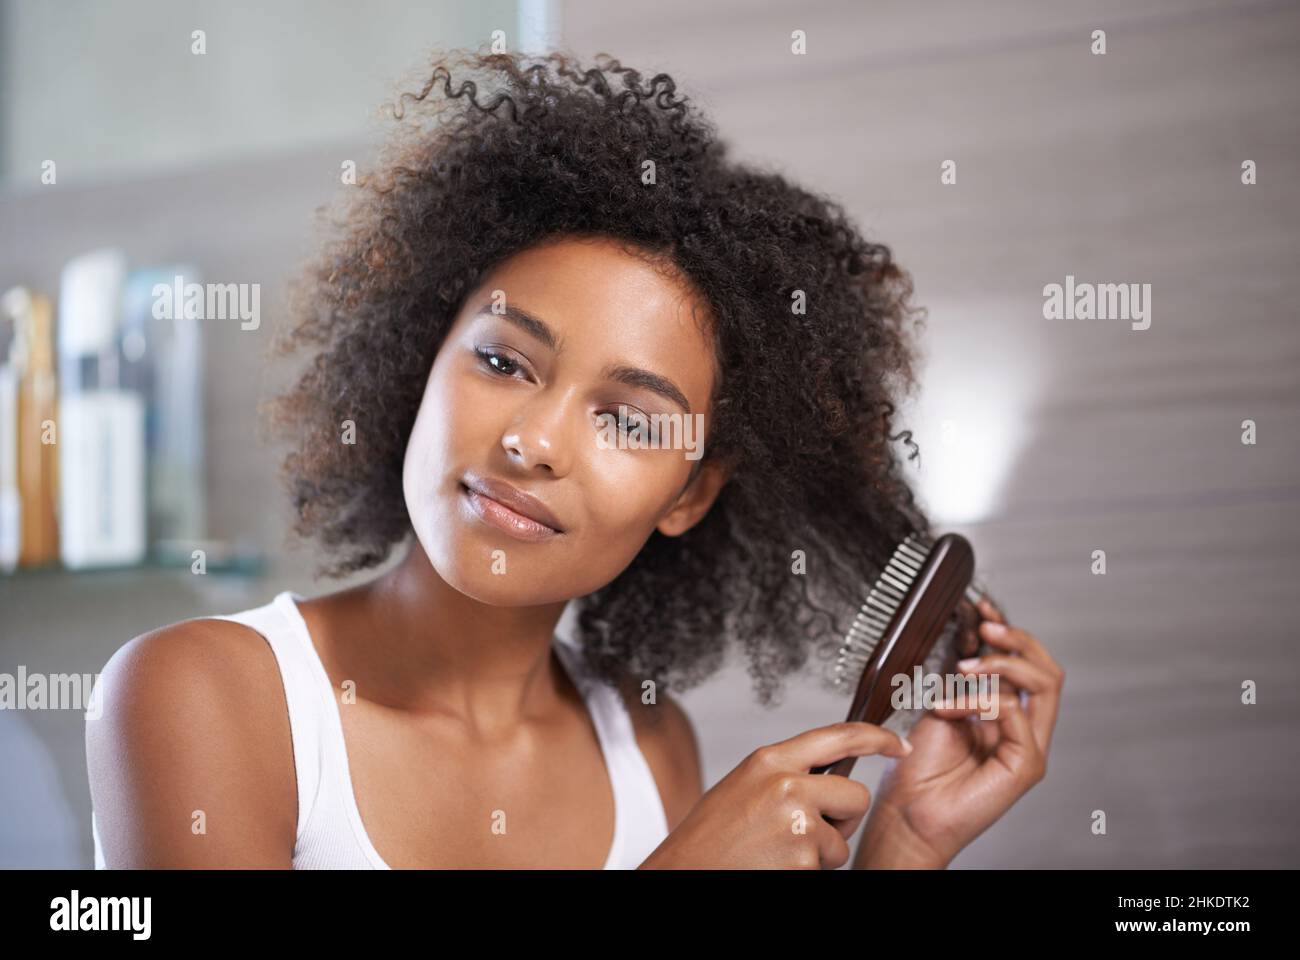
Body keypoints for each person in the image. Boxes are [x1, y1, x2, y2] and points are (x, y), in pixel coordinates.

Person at [86, 50, 1062, 869]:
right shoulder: (203, 694)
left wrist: (897, 846)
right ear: (421, 357)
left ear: (688, 494)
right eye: (505, 361)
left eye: (630, 421)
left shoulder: (645, 745)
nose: (534, 441)